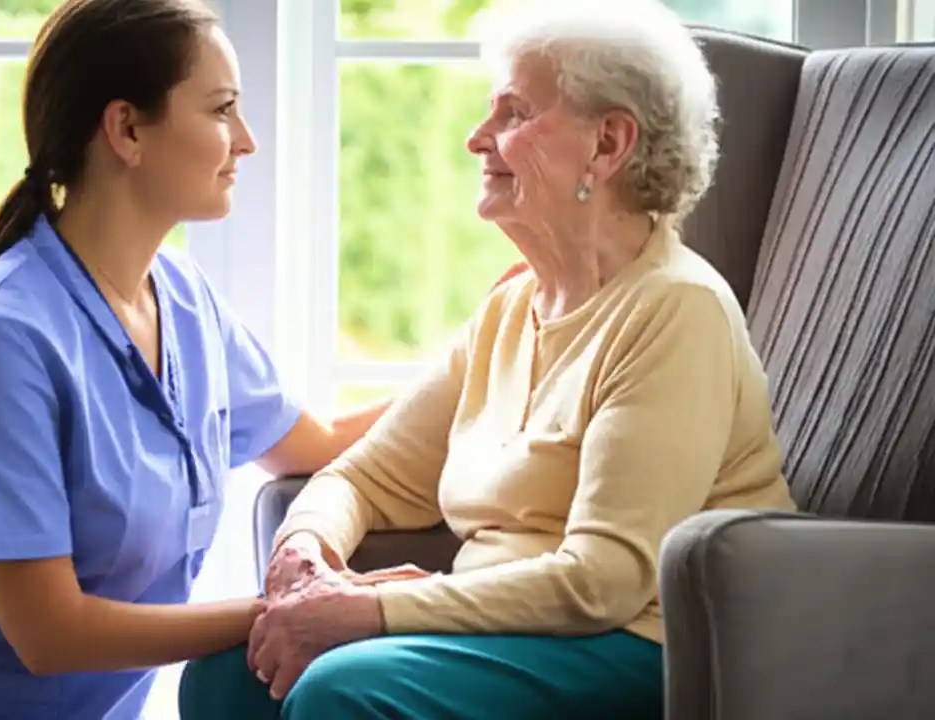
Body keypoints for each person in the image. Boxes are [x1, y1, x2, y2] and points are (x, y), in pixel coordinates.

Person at [178, 1, 799, 718]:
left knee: (336, 690)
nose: (477, 138)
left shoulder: (676, 310)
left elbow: (604, 581)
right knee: (229, 671)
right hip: (511, 633)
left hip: (644, 645)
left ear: (607, 144)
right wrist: (306, 553)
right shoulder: (510, 311)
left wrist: (377, 610)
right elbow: (362, 478)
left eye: (513, 112)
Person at [0, 1, 388, 717]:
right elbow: (51, 633)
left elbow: (319, 444)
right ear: (127, 129)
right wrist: (296, 613)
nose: (247, 140)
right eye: (222, 110)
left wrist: (486, 353)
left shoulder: (184, 301)